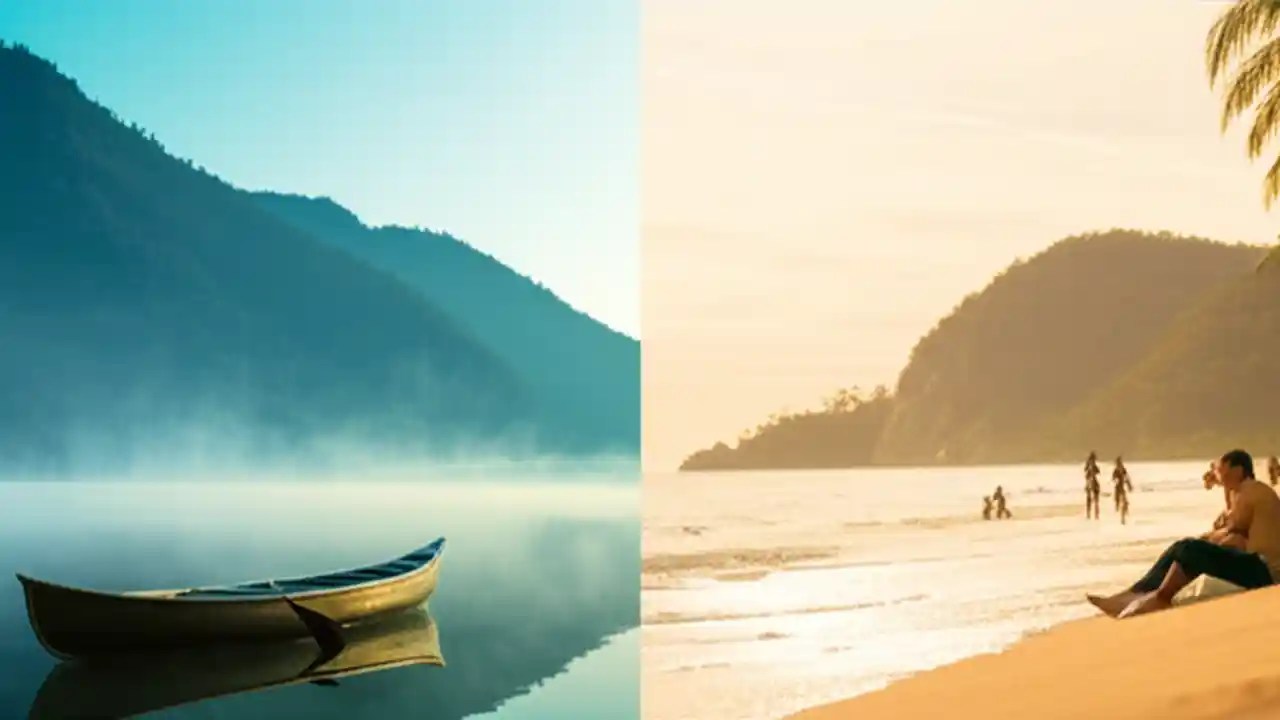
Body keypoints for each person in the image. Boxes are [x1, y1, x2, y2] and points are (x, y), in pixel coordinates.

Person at [1086, 449, 1280, 618]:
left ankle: (1158, 597)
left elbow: (1232, 529)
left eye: (1221, 468)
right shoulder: (1245, 491)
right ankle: (1133, 595)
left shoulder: (1251, 490)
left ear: (1237, 470)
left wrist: (1206, 538)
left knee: (1189, 548)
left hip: (1264, 571)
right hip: (1257, 567)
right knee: (1185, 548)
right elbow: (1234, 530)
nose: (1216, 473)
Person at [1084, 452, 1101, 519]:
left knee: (1096, 501)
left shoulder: (1094, 466)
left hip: (1094, 483)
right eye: (1092, 459)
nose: (1093, 461)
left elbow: (1098, 472)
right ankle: (1089, 514)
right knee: (1089, 500)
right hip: (1090, 483)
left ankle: (1096, 515)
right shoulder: (1088, 466)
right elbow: (1086, 474)